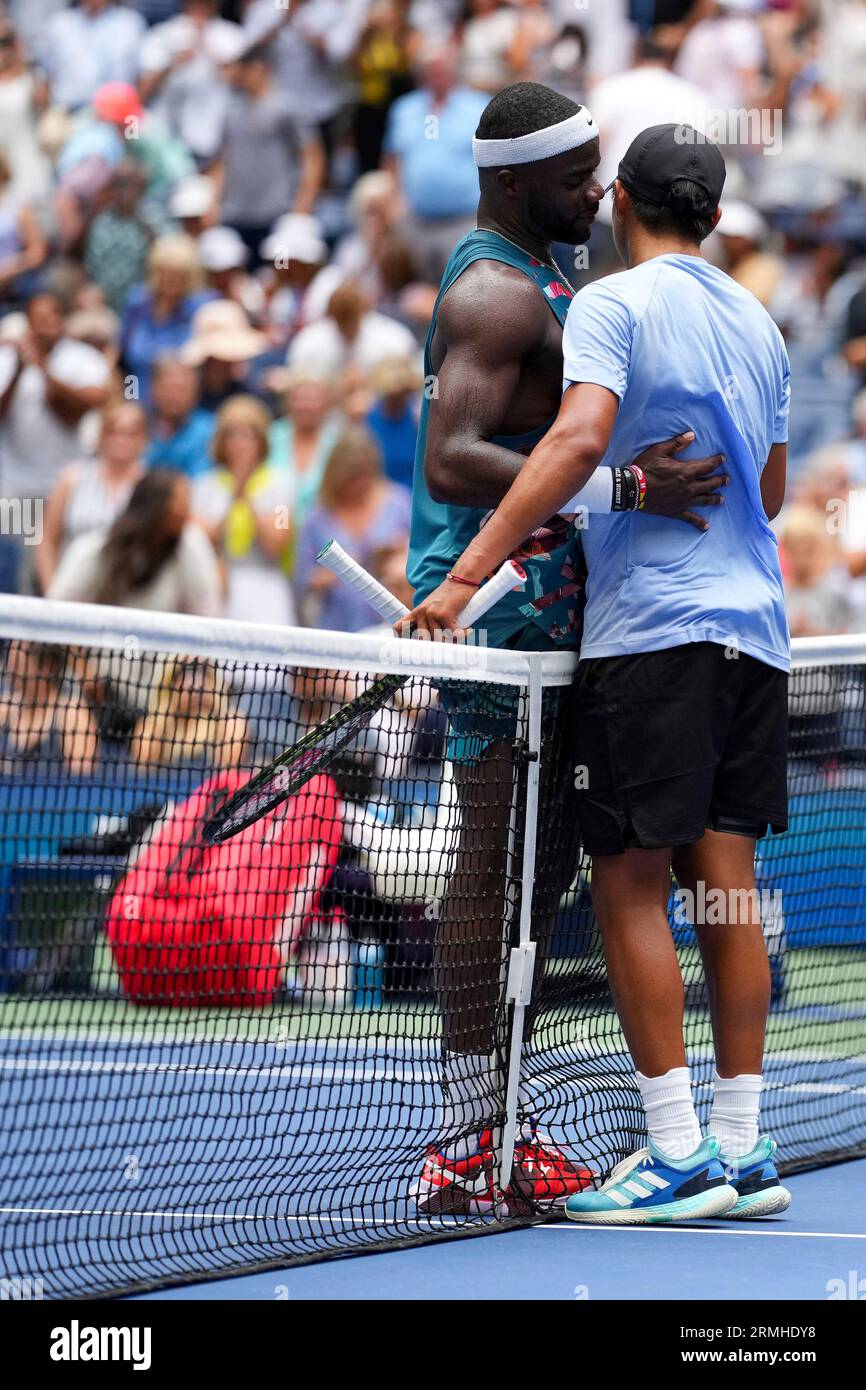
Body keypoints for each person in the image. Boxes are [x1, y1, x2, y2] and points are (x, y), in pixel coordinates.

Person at [407, 122, 793, 1224]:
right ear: (713, 215)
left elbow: (574, 445)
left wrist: (460, 576)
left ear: (620, 196)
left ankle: (671, 1152)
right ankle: (739, 1143)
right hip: (751, 632)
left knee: (626, 884)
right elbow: (763, 494)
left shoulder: (613, 303)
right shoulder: (759, 321)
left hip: (653, 634)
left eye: (597, 182)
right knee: (721, 887)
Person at [0, 290, 112, 591]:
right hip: (16, 485)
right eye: (38, 319)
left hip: (67, 485)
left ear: (62, 320)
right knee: (16, 570)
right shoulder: (8, 358)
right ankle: (16, 638)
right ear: (28, 323)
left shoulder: (82, 358)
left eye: (52, 317)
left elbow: (81, 409)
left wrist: (44, 370)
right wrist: (18, 372)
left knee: (62, 569)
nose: (46, 325)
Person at [49, 467, 222, 617]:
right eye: (178, 503)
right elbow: (58, 610)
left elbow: (207, 613)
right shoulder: (95, 549)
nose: (186, 512)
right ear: (154, 509)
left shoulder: (191, 543)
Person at [383, 37, 488, 281]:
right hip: (414, 221)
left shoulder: (478, 107)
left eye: (442, 68)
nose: (437, 74)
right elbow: (392, 159)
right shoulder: (404, 108)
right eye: (431, 69)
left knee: (461, 290)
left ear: (454, 70)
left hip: (464, 221)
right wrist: (394, 201)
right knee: (413, 292)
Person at [214, 45, 325, 264]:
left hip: (276, 211)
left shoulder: (287, 107)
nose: (243, 74)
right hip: (235, 212)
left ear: (263, 68)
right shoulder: (230, 110)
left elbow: (312, 156)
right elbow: (222, 159)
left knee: (278, 276)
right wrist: (214, 202)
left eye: (247, 68)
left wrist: (302, 206)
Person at [295, 425, 412, 631]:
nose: (360, 484)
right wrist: (340, 570)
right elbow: (302, 581)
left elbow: (419, 563)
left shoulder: (399, 503)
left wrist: (397, 552)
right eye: (353, 477)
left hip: (390, 629)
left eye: (365, 475)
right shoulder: (317, 518)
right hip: (336, 630)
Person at [193, 394, 296, 627]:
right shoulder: (204, 486)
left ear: (261, 442)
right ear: (222, 441)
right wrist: (232, 498)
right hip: (218, 588)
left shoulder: (281, 486)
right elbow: (202, 541)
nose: (241, 444)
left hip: (267, 592)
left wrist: (247, 497)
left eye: (248, 435)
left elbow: (277, 543)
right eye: (232, 435)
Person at [37, 398, 147, 592]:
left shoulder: (150, 485)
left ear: (143, 439)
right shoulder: (72, 479)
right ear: (101, 436)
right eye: (113, 432)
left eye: (130, 433)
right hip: (71, 588)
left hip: (127, 592)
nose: (121, 440)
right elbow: (47, 540)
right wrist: (53, 591)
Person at [120, 235, 213, 403]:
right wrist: (128, 400)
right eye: (165, 271)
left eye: (178, 274)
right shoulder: (137, 304)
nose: (170, 279)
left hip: (180, 410)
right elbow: (122, 358)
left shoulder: (200, 309)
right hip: (137, 401)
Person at [267, 369, 342, 527]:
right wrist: (281, 527)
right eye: (299, 398)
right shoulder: (272, 436)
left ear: (326, 403)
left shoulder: (338, 440)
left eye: (313, 399)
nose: (305, 405)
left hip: (325, 533)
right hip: (278, 528)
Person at [146, 356, 215, 477]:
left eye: (181, 389)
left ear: (195, 393)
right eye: (168, 388)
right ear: (154, 389)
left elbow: (202, 478)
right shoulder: (138, 425)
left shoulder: (209, 429)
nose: (173, 396)